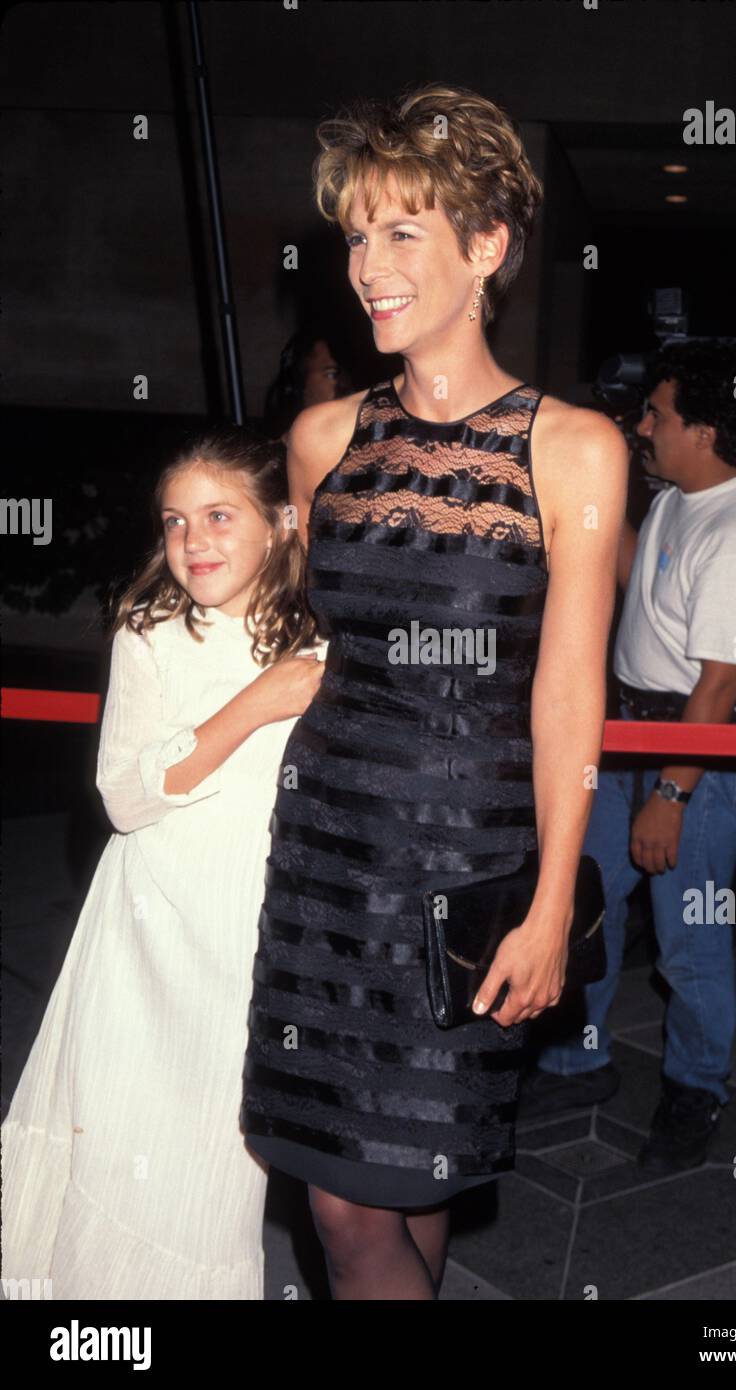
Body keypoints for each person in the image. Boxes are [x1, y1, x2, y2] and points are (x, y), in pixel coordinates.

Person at [239, 83, 627, 1301]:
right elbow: (281, 640)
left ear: (487, 247)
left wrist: (553, 899)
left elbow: (568, 694)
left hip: (464, 866)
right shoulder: (318, 441)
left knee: (388, 1191)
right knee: (355, 1189)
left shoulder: (571, 449)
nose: (366, 266)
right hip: (324, 862)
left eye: (401, 233)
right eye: (356, 235)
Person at [0, 427, 326, 1298]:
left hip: (259, 933)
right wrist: (260, 701)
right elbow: (125, 796)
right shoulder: (149, 633)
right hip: (150, 938)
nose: (193, 541)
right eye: (176, 522)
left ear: (282, 523)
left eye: (220, 516)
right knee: (121, 1143)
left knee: (217, 1169)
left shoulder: (323, 640)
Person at [536, 339, 736, 1174]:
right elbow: (641, 573)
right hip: (636, 735)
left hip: (701, 753)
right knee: (592, 901)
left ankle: (698, 1088)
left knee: (690, 935)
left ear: (706, 433)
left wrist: (671, 796)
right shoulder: (690, 495)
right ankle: (577, 1058)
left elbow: (719, 685)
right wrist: (593, 503)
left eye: (659, 416)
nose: (644, 426)